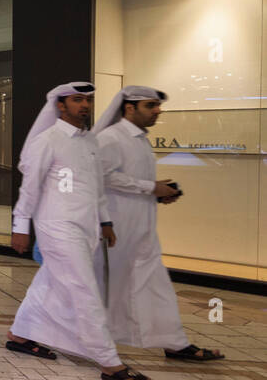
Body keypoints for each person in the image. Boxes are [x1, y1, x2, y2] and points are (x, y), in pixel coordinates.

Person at [6, 82, 159, 380]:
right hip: (56, 226)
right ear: (60, 105)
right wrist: (20, 226)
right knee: (85, 290)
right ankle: (109, 362)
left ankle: (19, 336)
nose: (85, 106)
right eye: (77, 100)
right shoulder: (46, 141)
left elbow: (97, 187)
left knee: (49, 282)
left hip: (85, 226)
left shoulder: (90, 141)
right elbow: (30, 187)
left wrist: (105, 221)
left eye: (88, 100)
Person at [93, 86, 224, 362]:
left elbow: (131, 179)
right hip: (117, 228)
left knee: (152, 284)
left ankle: (174, 342)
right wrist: (149, 187)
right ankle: (88, 339)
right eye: (150, 106)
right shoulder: (110, 138)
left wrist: (159, 191)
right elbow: (102, 178)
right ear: (130, 108)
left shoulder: (139, 139)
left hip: (142, 227)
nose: (157, 111)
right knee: (111, 285)